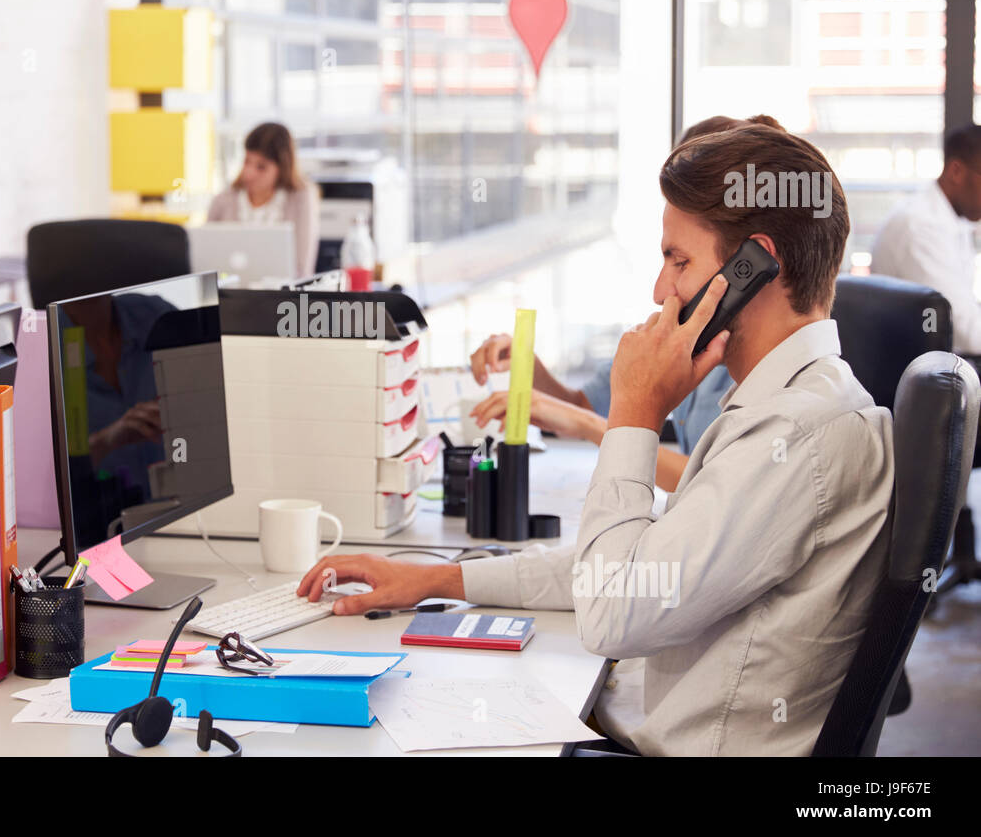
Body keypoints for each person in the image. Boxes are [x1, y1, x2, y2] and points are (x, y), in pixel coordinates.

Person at [298, 121, 893, 756]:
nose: (661, 291)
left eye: (679, 260)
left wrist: (636, 408)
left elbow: (612, 611)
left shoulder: (796, 436)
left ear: (754, 266)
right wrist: (439, 581)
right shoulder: (786, 408)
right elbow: (635, 568)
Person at [467, 115, 783, 492]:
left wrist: (590, 426)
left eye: (681, 261)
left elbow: (719, 486)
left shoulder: (761, 363)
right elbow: (585, 406)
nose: (661, 290)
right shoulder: (683, 325)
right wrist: (526, 363)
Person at [870, 123, 981, 354]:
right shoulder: (921, 227)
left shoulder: (951, 219)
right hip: (906, 372)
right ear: (956, 172)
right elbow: (964, 333)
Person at [207, 122, 319, 279]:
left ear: (282, 168)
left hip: (280, 298)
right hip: (230, 296)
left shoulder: (301, 198)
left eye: (261, 167)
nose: (249, 173)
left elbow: (303, 269)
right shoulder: (223, 200)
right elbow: (206, 260)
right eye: (247, 161)